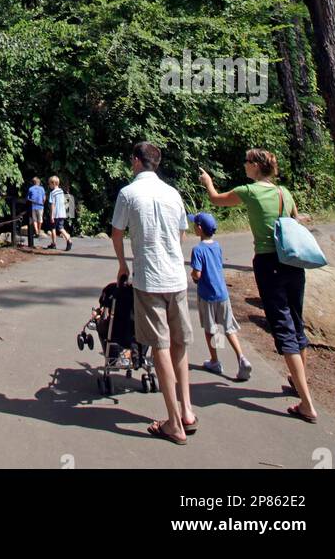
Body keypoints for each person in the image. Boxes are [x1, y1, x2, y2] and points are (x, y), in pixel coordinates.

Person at [199, 151, 317, 423]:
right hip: (292, 262)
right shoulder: (283, 192)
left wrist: (208, 182)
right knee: (297, 322)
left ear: (255, 166)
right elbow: (295, 220)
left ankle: (307, 404)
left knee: (283, 326)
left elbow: (217, 200)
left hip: (268, 262)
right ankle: (298, 384)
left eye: (246, 162)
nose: (243, 166)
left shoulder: (249, 191)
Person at [111, 141, 196, 445]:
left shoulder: (128, 194)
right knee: (180, 343)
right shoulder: (173, 193)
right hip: (176, 277)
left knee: (160, 346)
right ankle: (187, 410)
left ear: (136, 161)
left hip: (149, 279)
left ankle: (173, 422)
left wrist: (123, 265)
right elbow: (182, 231)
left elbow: (117, 232)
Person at [188, 211, 252, 381]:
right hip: (222, 294)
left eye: (194, 224)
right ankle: (241, 358)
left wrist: (193, 276)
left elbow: (197, 274)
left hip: (207, 295)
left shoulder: (198, 250)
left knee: (211, 328)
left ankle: (215, 361)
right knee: (228, 327)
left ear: (199, 229)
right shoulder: (217, 246)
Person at [47, 175, 72, 251]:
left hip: (56, 214)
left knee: (55, 228)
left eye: (50, 184)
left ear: (53, 183)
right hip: (62, 213)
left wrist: (51, 215)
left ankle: (65, 240)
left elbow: (52, 205)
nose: (49, 185)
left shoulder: (52, 193)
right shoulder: (61, 191)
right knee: (58, 227)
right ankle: (61, 241)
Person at [26, 177, 46, 242]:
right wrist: (43, 203)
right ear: (39, 182)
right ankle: (39, 231)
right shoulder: (42, 189)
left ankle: (36, 232)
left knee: (34, 219)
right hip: (40, 206)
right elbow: (44, 198)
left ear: (33, 182)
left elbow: (28, 198)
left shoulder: (30, 189)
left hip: (33, 206)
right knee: (40, 219)